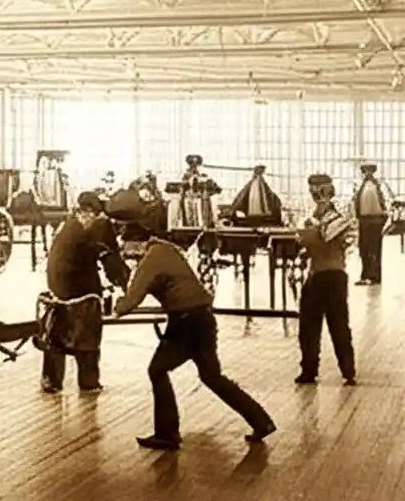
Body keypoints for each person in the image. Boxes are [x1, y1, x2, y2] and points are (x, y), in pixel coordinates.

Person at [106, 188, 277, 451]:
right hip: (203, 318)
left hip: (186, 323)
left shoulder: (152, 259)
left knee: (157, 370)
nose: (127, 252)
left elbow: (132, 298)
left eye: (127, 246)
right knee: (212, 376)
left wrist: (115, 307)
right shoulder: (167, 251)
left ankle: (167, 434)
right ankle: (261, 420)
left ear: (136, 241)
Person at [40, 191, 131, 395]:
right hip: (80, 291)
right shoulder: (95, 229)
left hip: (56, 286)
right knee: (88, 334)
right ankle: (89, 382)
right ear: (88, 213)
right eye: (96, 214)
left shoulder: (67, 225)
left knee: (57, 334)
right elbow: (111, 262)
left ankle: (51, 380)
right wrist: (127, 285)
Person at [295, 173, 357, 386]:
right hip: (326, 275)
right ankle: (341, 370)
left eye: (319, 190)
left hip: (328, 275)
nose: (316, 195)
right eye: (313, 190)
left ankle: (327, 370)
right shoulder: (323, 218)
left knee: (324, 325)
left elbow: (325, 239)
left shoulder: (336, 219)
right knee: (326, 326)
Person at [352, 163, 391, 286]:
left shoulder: (376, 186)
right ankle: (367, 274)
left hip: (374, 220)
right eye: (365, 171)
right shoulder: (364, 186)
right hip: (365, 220)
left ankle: (373, 276)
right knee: (364, 248)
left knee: (373, 249)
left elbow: (383, 204)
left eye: (369, 171)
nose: (367, 174)